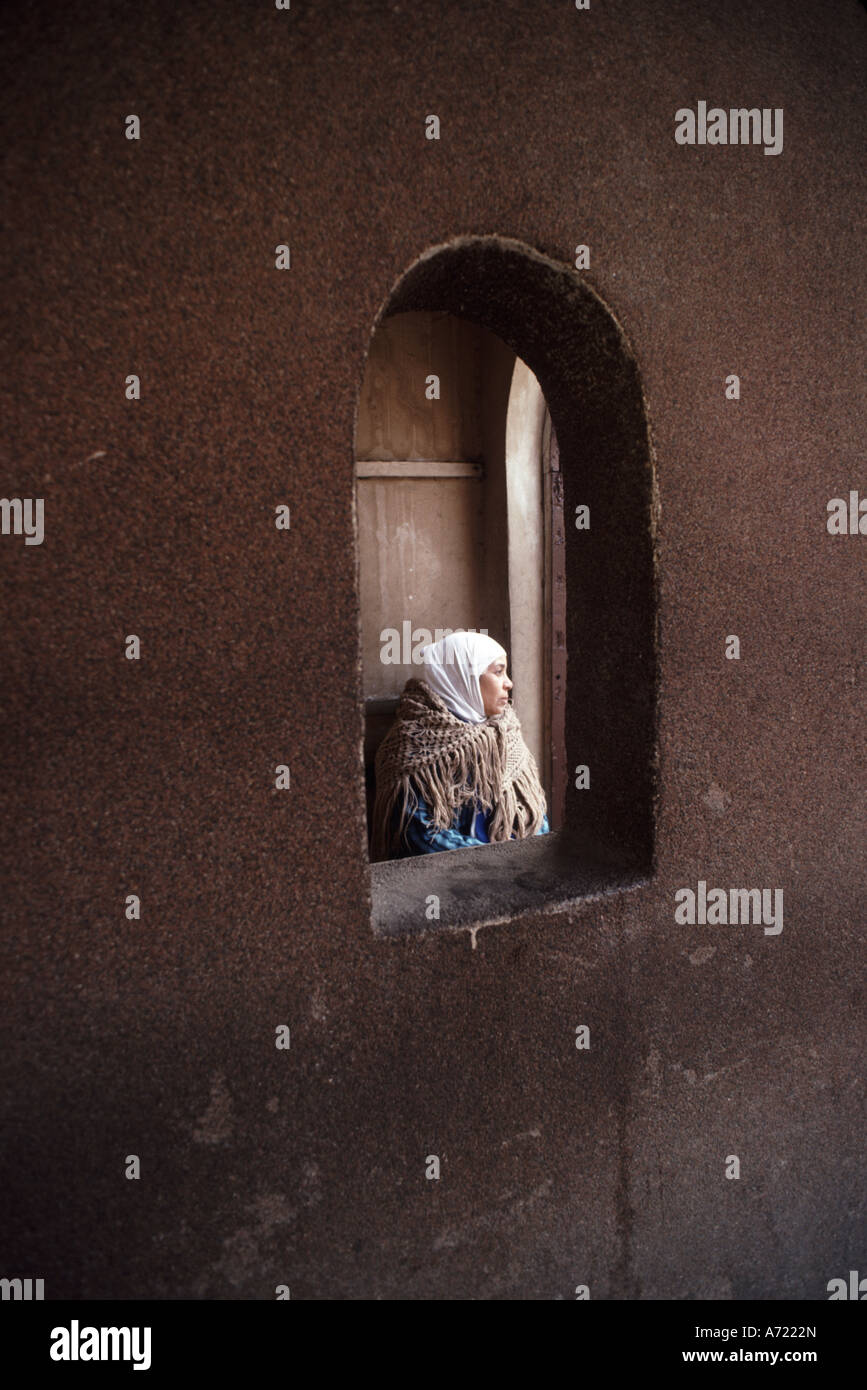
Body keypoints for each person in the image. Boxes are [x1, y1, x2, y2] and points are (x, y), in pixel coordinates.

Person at [370, 630, 550, 860]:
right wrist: (497, 861)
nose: (509, 683)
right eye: (498, 672)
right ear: (464, 677)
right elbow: (422, 835)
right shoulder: (412, 744)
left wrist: (533, 853)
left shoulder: (505, 731)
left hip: (518, 866)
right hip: (453, 878)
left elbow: (532, 808)